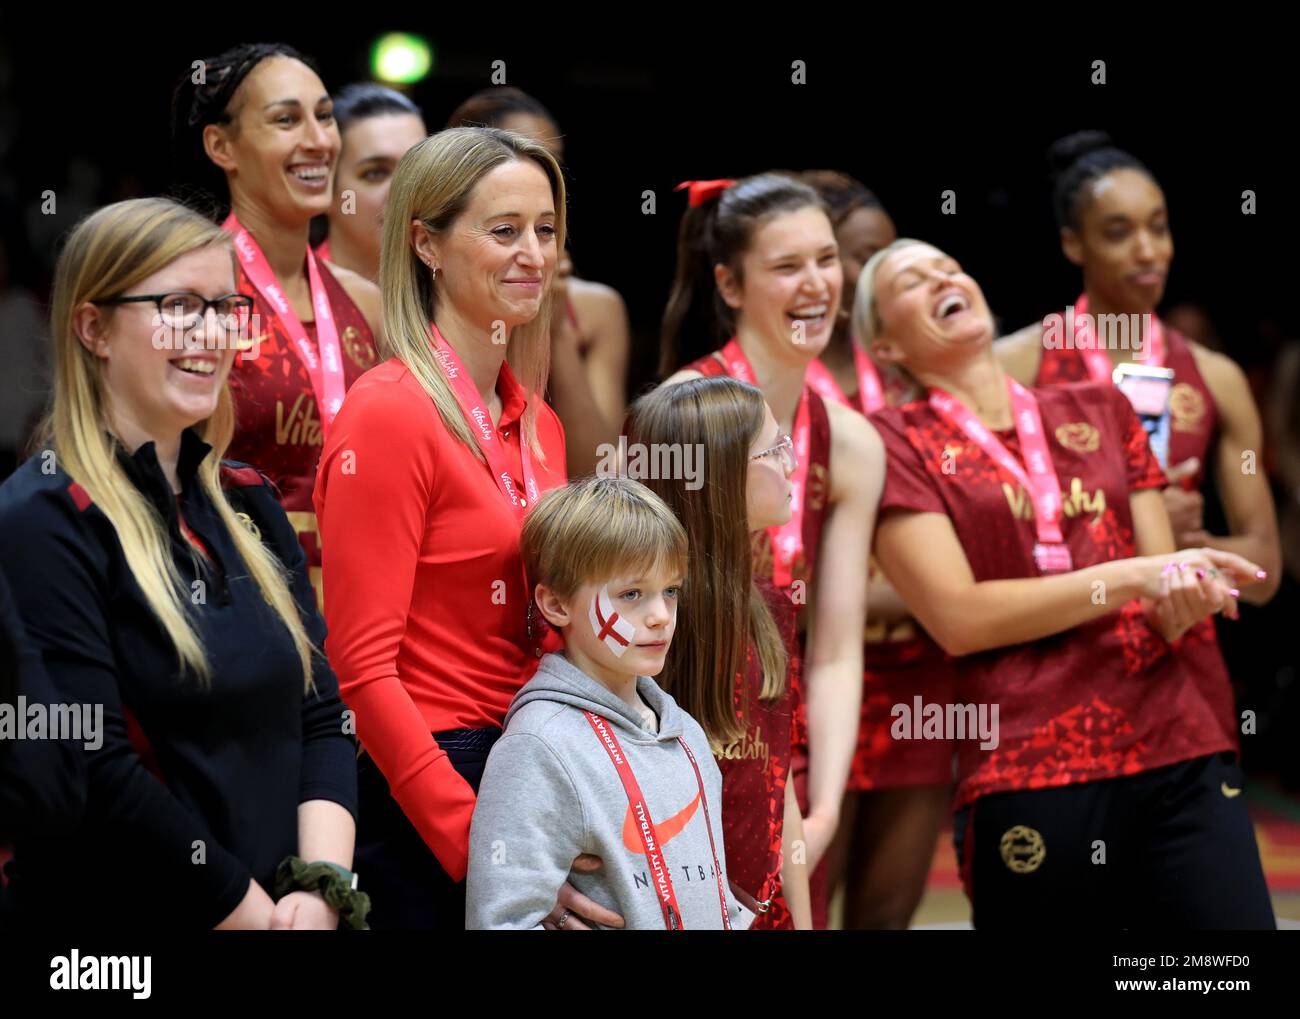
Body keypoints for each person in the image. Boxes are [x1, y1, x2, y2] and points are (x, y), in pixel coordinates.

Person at [862, 237, 1273, 928]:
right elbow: (961, 618)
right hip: (1026, 762)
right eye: (912, 279)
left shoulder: (1099, 408)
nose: (943, 277)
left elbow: (1160, 591)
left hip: (1173, 739)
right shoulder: (890, 440)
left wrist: (1182, 597)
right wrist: (1136, 575)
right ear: (886, 346)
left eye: (949, 266)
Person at [0, 197, 360, 929]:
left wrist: (324, 891)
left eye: (226, 308)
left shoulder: (250, 499)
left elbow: (324, 717)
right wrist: (256, 915)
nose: (212, 334)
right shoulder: (39, 515)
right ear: (93, 327)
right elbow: (93, 767)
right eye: (179, 306)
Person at [316, 126, 619, 931]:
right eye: (503, 229)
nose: (534, 253)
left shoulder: (539, 424)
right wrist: (480, 840)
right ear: (426, 243)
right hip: (434, 782)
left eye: (546, 230)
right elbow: (359, 670)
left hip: (535, 759)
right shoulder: (386, 413)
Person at [660, 173, 882, 927]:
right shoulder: (692, 414)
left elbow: (834, 647)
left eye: (827, 259)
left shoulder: (850, 439)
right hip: (684, 744)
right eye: (788, 267)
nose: (817, 284)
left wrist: (821, 808)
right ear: (729, 282)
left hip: (782, 759)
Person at [467, 476, 749, 930]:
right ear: (556, 605)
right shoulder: (539, 746)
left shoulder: (687, 735)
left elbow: (719, 900)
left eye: (670, 591)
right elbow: (500, 920)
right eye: (631, 594)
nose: (661, 615)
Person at [172, 42, 383, 605]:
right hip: (235, 600)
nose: (317, 139)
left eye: (324, 116)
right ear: (221, 146)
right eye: (286, 120)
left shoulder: (368, 302)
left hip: (356, 612)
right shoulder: (193, 297)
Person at [624, 376, 813, 929]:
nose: (793, 463)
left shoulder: (773, 608)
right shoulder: (649, 627)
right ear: (723, 473)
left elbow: (781, 788)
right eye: (775, 450)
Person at [449, 86, 629, 474]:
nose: (534, 174)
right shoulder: (427, 305)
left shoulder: (597, 308)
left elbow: (598, 473)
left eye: (551, 164)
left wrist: (557, 327)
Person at [319, 83, 427, 280]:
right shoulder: (284, 298)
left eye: (416, 169)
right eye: (375, 173)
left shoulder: (457, 295)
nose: (403, 190)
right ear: (325, 187)